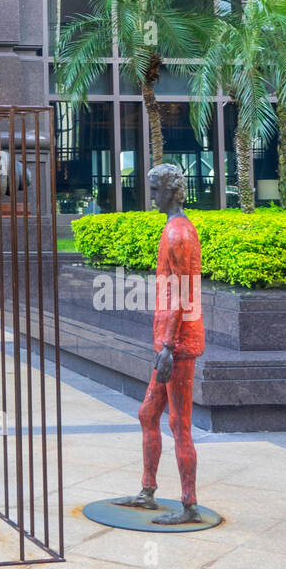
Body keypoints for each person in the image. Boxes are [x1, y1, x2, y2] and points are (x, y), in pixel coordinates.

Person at [113, 162, 204, 526]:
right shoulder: (176, 228)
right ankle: (147, 491)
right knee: (148, 414)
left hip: (177, 345)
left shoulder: (176, 234)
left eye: (154, 189)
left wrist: (166, 346)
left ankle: (189, 504)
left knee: (180, 424)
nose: (151, 195)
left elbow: (181, 294)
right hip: (171, 343)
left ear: (170, 190)